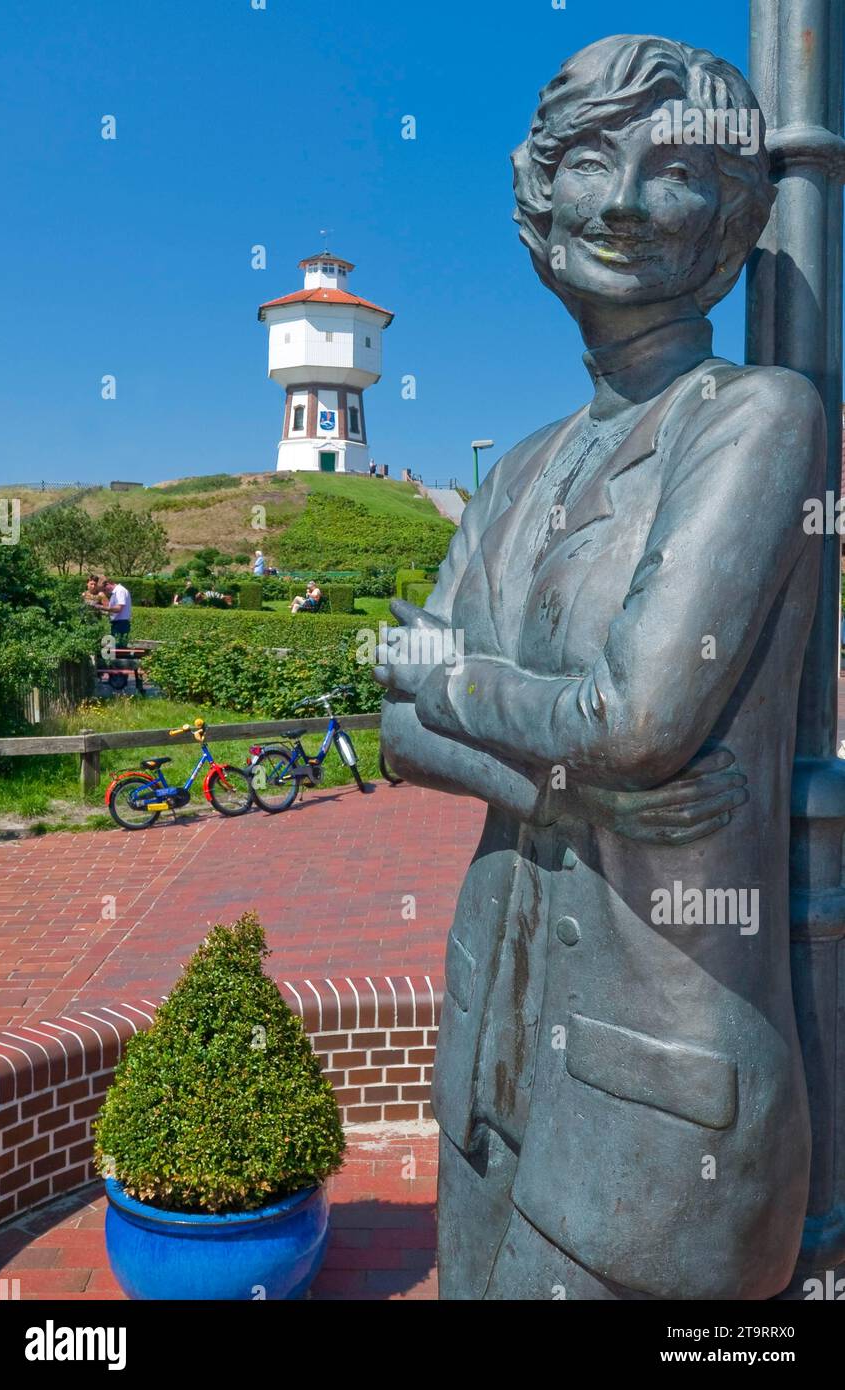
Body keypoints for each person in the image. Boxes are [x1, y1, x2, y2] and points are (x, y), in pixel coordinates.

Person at [376, 35, 823, 1302]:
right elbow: (396, 734)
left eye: (675, 171)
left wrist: (452, 677)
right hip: (491, 1068)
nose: (622, 202)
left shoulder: (754, 417)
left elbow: (634, 721)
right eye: (586, 161)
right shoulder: (514, 469)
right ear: (537, 199)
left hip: (656, 1106)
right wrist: (560, 791)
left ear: (732, 225)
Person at [99, 578, 133, 644]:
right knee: (116, 647)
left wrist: (101, 607)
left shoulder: (120, 591)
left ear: (108, 584)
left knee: (118, 647)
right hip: (118, 623)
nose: (105, 592)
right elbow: (113, 612)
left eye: (104, 589)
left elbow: (118, 608)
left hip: (121, 624)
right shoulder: (115, 592)